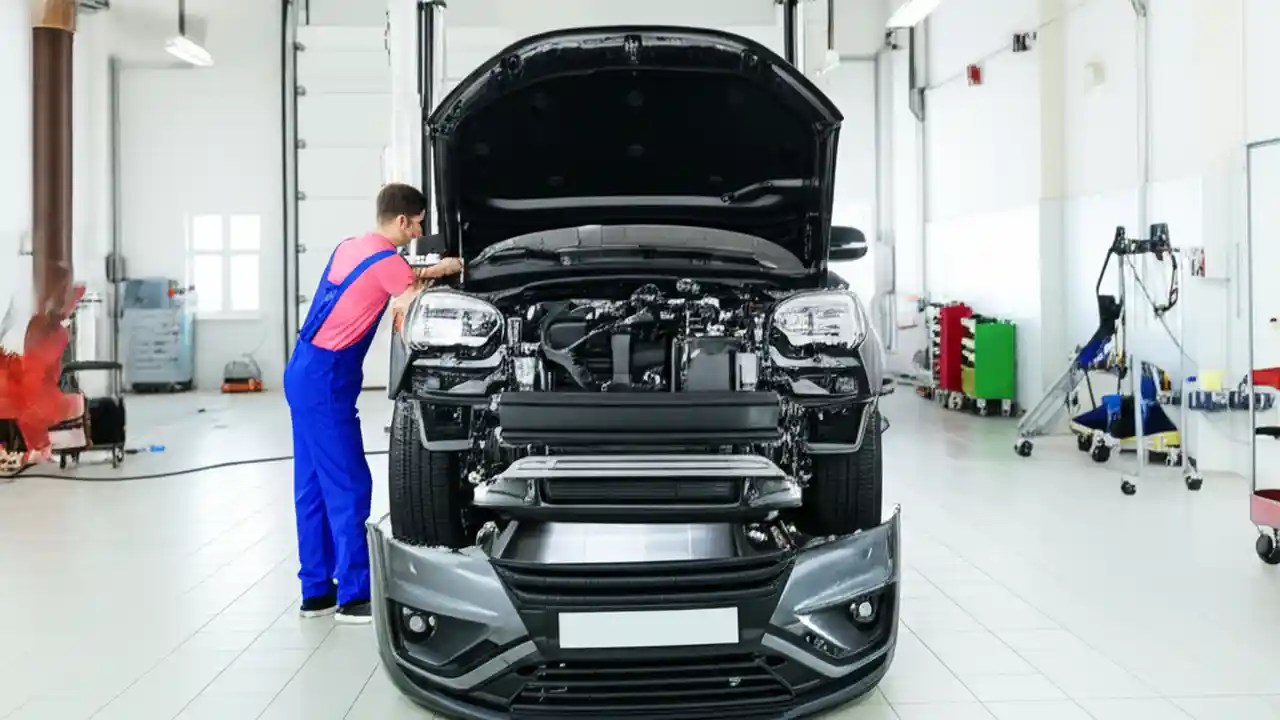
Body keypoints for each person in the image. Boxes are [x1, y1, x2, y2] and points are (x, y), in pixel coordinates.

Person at [284, 182, 462, 624]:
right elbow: (413, 293)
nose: (418, 232)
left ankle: (316, 592)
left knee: (312, 487)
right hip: (328, 382)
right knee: (350, 484)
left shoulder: (350, 246)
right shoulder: (389, 263)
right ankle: (354, 596)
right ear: (402, 220)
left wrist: (425, 270)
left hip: (302, 369)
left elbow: (398, 275)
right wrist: (450, 267)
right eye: (418, 223)